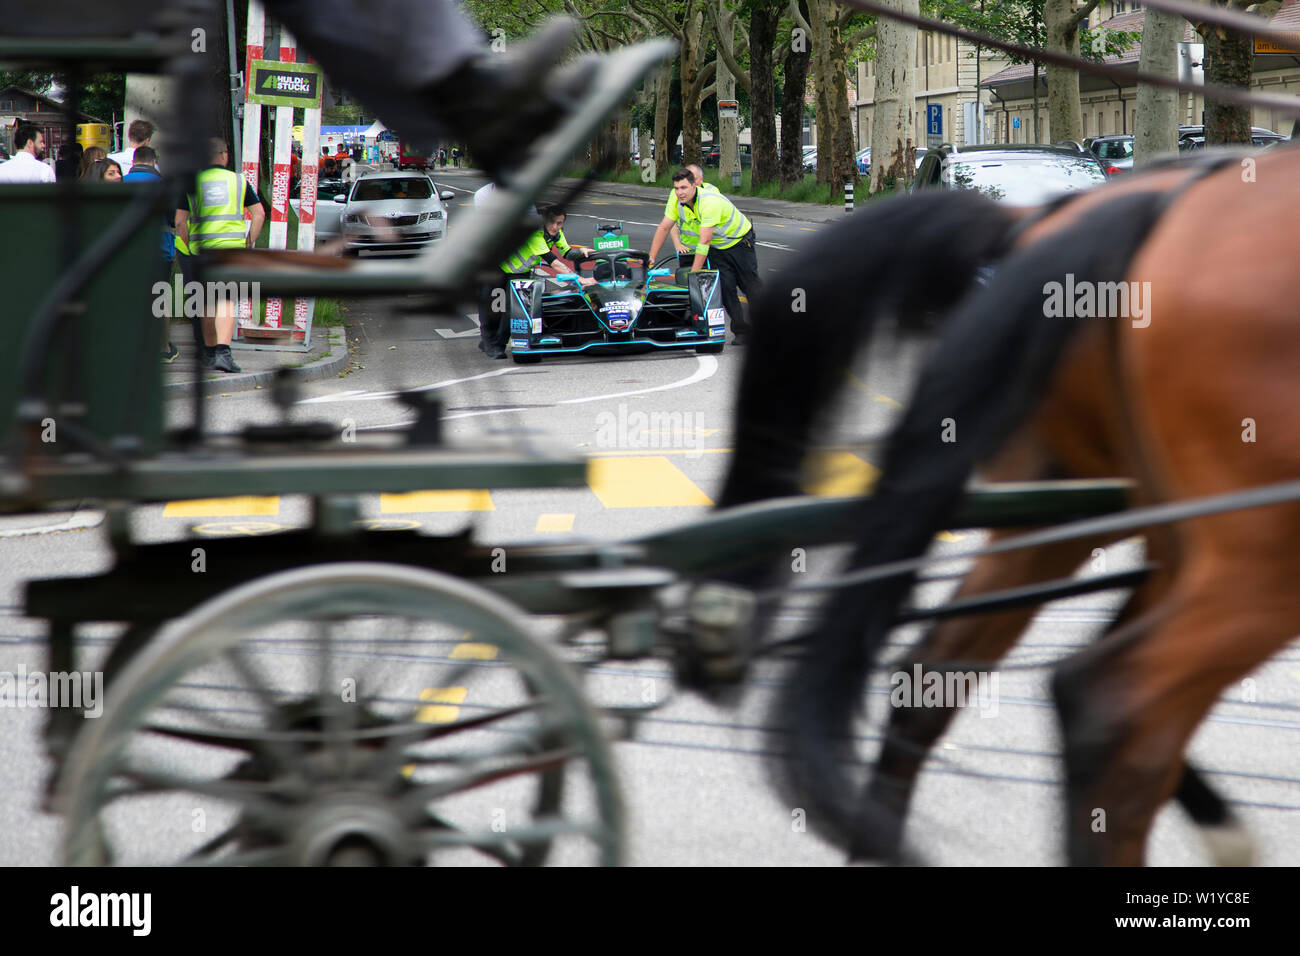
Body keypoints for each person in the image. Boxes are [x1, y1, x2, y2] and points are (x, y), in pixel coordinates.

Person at [174, 138, 267, 373]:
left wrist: (189, 244)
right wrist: (249, 241)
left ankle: (209, 351)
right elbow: (259, 214)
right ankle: (223, 353)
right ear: (224, 155)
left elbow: (179, 221)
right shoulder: (238, 181)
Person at [648, 168, 760, 343]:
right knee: (725, 288)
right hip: (717, 247)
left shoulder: (709, 201)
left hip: (739, 243)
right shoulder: (677, 200)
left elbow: (704, 241)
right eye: (676, 188)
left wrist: (694, 275)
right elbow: (664, 227)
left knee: (750, 285)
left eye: (684, 188)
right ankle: (742, 331)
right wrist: (651, 258)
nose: (679, 193)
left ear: (694, 186)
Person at [479, 204, 594, 359]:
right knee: (494, 307)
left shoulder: (556, 234)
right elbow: (553, 262)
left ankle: (498, 345)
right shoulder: (535, 233)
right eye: (552, 222)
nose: (555, 227)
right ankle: (488, 341)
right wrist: (580, 279)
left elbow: (566, 252)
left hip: (520, 271)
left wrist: (581, 251)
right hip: (497, 269)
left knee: (512, 311)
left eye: (559, 223)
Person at [123, 146, 180, 362]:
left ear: (135, 161)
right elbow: (173, 216)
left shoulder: (120, 183)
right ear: (154, 162)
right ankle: (163, 347)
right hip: (159, 249)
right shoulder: (164, 185)